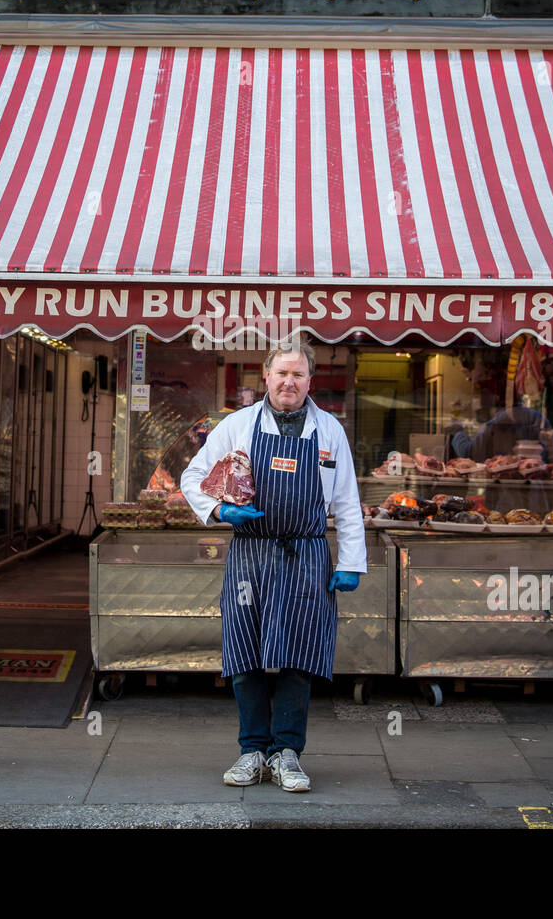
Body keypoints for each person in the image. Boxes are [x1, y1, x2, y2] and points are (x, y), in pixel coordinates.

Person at [181, 336, 365, 792]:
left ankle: (286, 753)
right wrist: (222, 511)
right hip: (250, 554)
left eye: (298, 374)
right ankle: (251, 751)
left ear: (310, 380)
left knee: (300, 657)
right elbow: (192, 477)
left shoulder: (329, 431)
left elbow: (346, 500)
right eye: (281, 373)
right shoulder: (238, 424)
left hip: (307, 555)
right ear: (265, 377)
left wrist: (351, 562)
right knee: (244, 654)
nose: (289, 381)